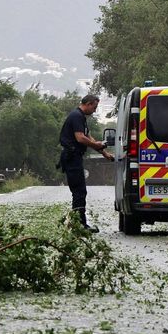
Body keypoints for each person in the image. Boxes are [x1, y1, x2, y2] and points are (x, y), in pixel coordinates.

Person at [59, 93, 112, 232]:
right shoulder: (76, 116)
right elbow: (81, 138)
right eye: (94, 107)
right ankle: (79, 226)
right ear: (88, 104)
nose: (95, 110)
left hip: (75, 157)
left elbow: (89, 137)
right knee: (79, 191)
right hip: (72, 157)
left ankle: (78, 223)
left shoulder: (81, 118)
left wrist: (104, 153)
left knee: (80, 191)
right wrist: (97, 145)